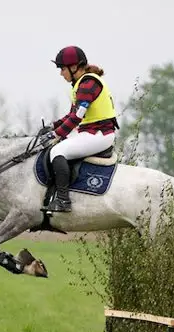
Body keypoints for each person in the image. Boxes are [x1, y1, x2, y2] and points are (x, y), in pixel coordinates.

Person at [40, 45, 119, 213]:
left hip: (99, 134)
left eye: (62, 68)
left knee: (57, 152)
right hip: (91, 131)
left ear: (74, 67)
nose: (61, 73)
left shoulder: (88, 84)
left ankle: (63, 200)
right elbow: (71, 115)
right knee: (57, 147)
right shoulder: (80, 84)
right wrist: (52, 126)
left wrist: (56, 134)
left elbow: (77, 118)